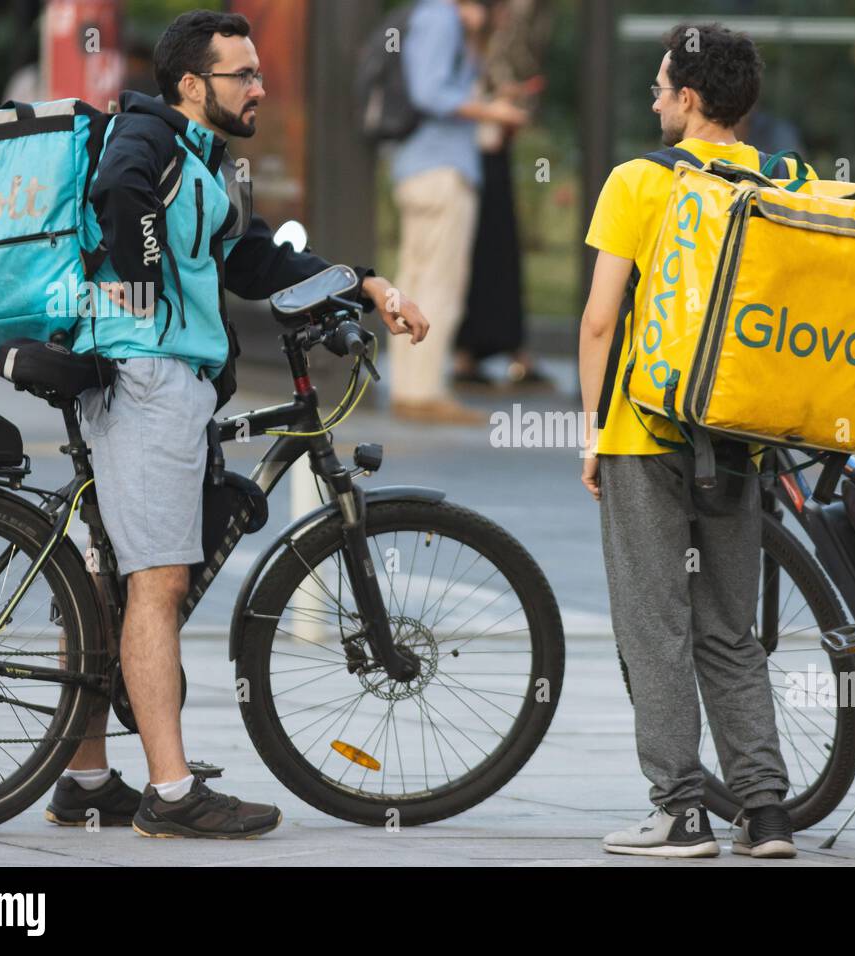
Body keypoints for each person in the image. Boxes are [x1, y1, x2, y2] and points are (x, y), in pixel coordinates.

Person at [43, 10, 430, 838]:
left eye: (258, 73)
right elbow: (120, 197)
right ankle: (173, 795)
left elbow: (255, 261)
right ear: (193, 86)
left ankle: (85, 778)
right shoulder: (145, 138)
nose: (259, 87)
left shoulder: (204, 166)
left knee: (115, 583)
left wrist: (362, 284)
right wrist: (145, 280)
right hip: (145, 377)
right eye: (243, 75)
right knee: (159, 582)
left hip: (161, 377)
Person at [579, 22, 855, 859]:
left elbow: (597, 321)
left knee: (653, 628)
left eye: (661, 89)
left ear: (690, 100)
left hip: (644, 432)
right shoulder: (791, 182)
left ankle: (681, 812)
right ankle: (766, 814)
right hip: (741, 440)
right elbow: (849, 307)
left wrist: (590, 432)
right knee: (731, 628)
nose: (656, 102)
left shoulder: (637, 181)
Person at [388, 0, 528, 423]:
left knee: (416, 278)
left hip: (424, 167)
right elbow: (429, 92)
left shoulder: (434, 18)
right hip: (441, 169)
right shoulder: (441, 18)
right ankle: (423, 390)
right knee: (438, 284)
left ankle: (411, 386)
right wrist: (492, 110)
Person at [453, 0, 552, 391]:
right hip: (472, 157)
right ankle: (473, 352)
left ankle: (490, 350)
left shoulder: (487, 37)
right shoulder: (459, 34)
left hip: (489, 156)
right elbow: (453, 95)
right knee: (480, 254)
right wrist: (497, 107)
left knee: (496, 252)